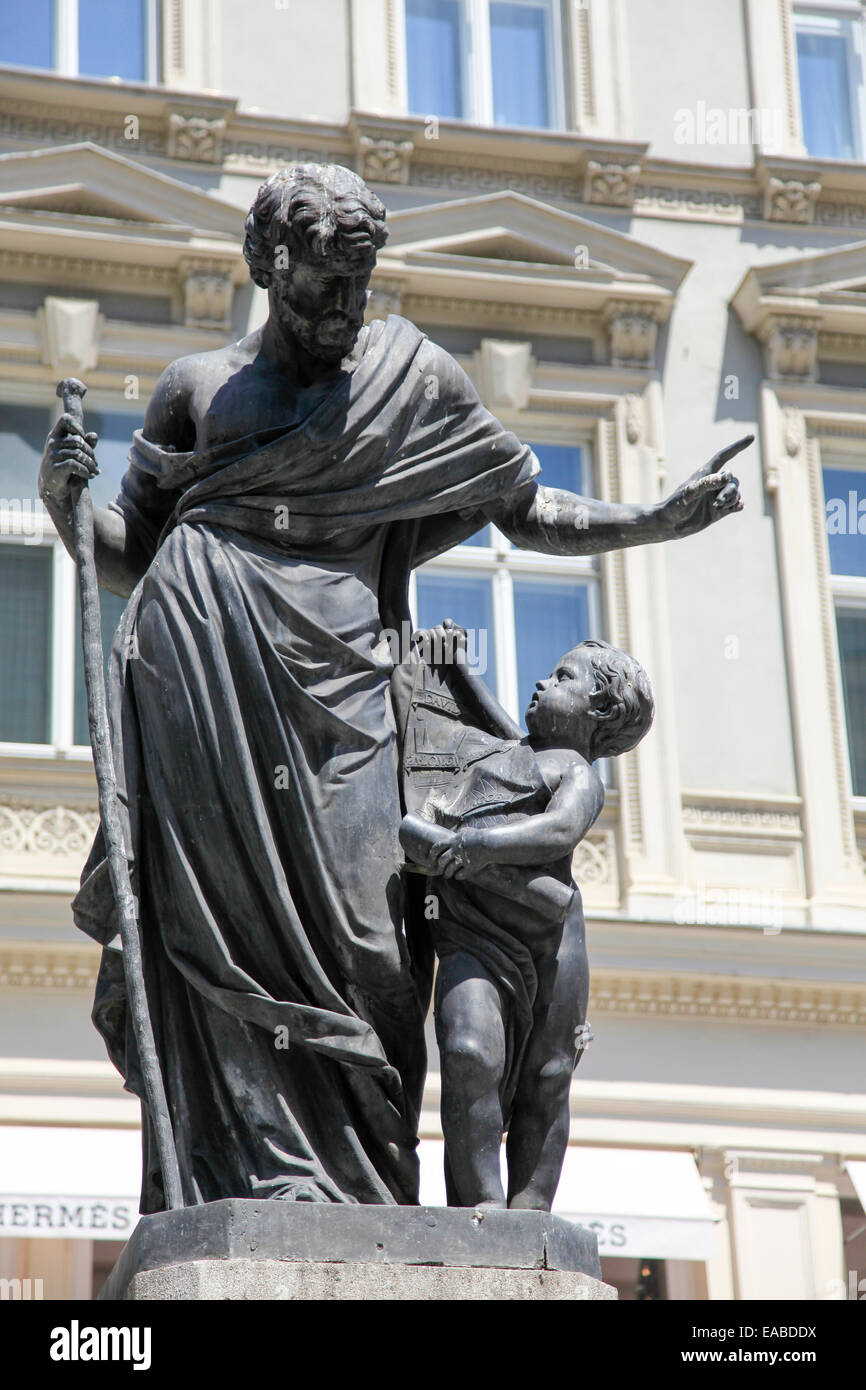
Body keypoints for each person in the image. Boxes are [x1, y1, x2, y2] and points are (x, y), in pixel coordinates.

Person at [38, 162, 745, 1210]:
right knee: (216, 946)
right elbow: (130, 548)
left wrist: (647, 522)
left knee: (373, 949)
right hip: (201, 682)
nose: (347, 308)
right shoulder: (197, 389)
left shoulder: (408, 380)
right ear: (272, 266)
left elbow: (521, 505)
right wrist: (62, 508)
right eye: (327, 284)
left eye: (361, 282)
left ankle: (364, 1194)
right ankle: (246, 1188)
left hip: (348, 701)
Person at [400, 626, 654, 1209]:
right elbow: (493, 722)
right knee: (467, 1053)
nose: (543, 681)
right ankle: (482, 1209)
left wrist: (474, 846)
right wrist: (458, 666)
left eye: (564, 677)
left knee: (548, 1075)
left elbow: (560, 829)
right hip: (470, 932)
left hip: (551, 941)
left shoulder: (577, 774)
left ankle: (530, 1211)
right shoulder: (514, 754)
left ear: (599, 711)